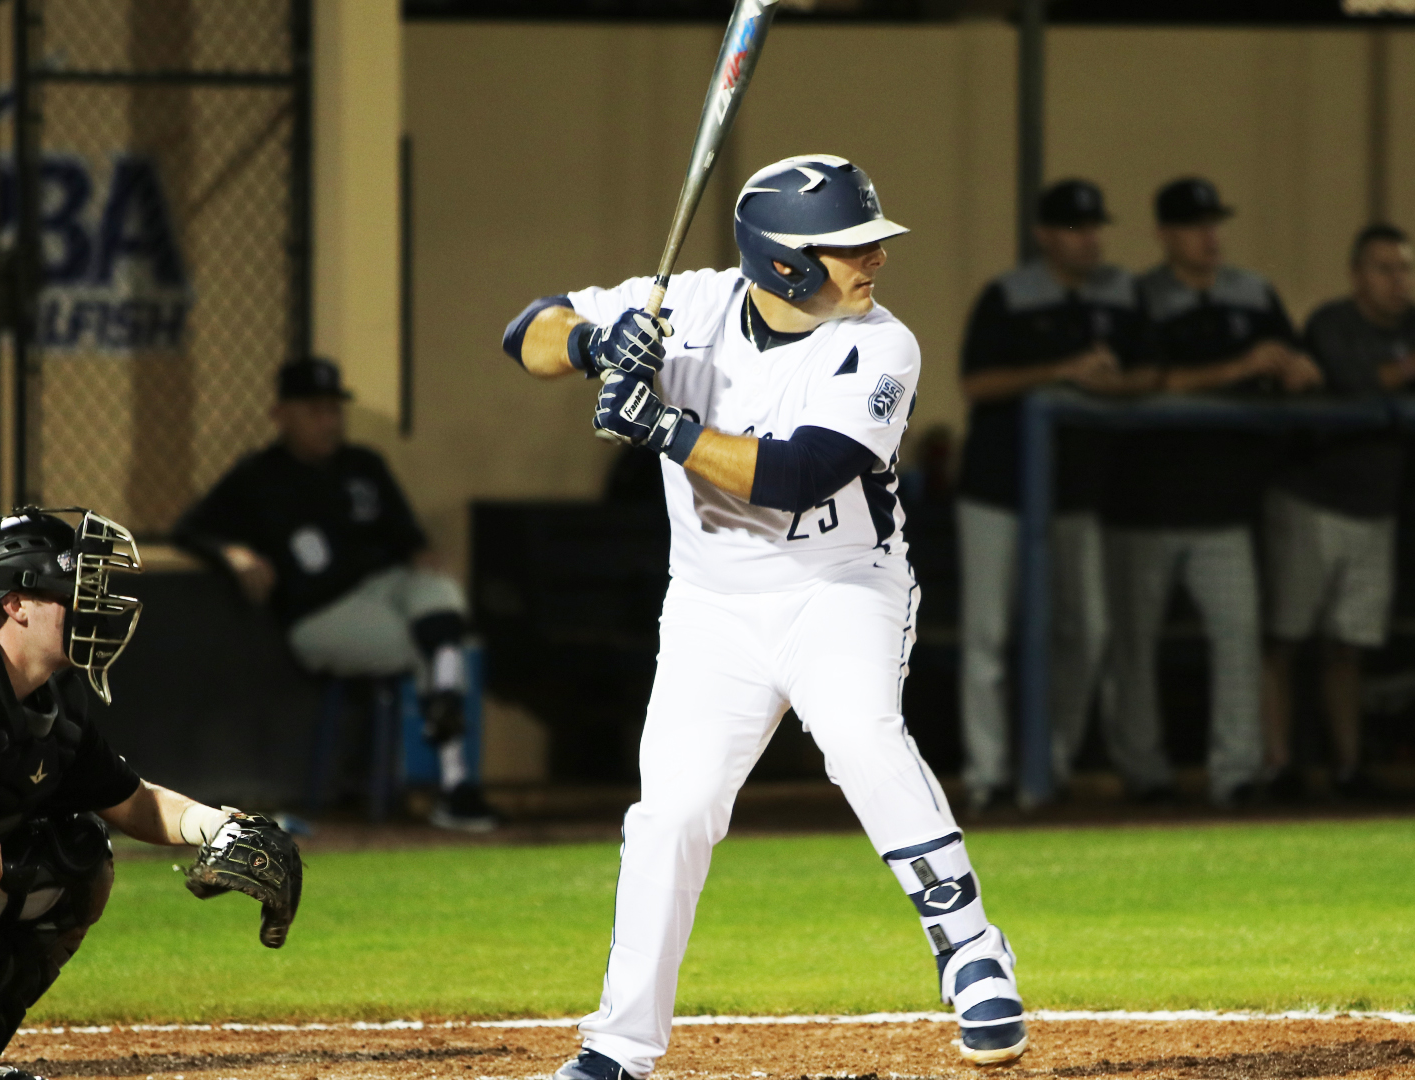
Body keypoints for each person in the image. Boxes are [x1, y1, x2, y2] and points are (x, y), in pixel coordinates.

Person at [500, 155, 1026, 1080]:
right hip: (710, 603)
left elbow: (794, 478)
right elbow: (525, 332)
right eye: (849, 247)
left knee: (861, 737)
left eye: (872, 243)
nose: (874, 260)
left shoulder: (883, 344)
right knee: (672, 811)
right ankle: (619, 1046)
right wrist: (594, 347)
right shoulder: (692, 304)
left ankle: (971, 948)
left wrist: (659, 426)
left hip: (841, 586)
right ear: (784, 262)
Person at [0, 509, 300, 1080]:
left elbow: (132, 801)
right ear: (15, 603)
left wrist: (219, 830)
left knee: (77, 857)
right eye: (70, 590)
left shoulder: (48, 705)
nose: (88, 606)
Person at [175, 357, 496, 831]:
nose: (328, 421)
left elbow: (410, 540)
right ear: (281, 413)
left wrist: (424, 557)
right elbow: (189, 530)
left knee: (439, 592)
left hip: (387, 592)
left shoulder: (363, 465)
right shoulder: (259, 474)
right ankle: (456, 784)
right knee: (441, 648)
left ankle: (449, 744)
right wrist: (234, 554)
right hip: (321, 615)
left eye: (333, 410)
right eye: (314, 410)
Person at [1100, 177, 1322, 807]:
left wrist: (1298, 370)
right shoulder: (1140, 296)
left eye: (1214, 223)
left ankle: (1236, 773)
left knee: (1237, 638)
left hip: (1226, 502)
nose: (1209, 236)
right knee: (1135, 644)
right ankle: (1144, 772)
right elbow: (1139, 379)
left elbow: (1293, 361)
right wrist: (1237, 369)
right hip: (1143, 502)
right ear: (1166, 234)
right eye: (1196, 225)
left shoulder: (1253, 294)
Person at [1262, 224, 1415, 799]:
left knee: (1347, 646)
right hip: (1312, 500)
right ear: (1358, 275)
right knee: (1284, 638)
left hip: (1375, 507)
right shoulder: (1334, 321)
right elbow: (1351, 382)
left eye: (1404, 268)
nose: (1397, 280)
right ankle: (1279, 766)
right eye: (1383, 268)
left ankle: (1347, 767)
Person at [955, 179, 1149, 812]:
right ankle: (988, 772)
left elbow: (1155, 372)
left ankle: (1051, 763)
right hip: (997, 489)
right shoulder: (1009, 295)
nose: (1088, 238)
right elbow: (977, 383)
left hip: (1076, 491)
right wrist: (1060, 373)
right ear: (1044, 234)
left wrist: (1112, 383)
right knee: (989, 637)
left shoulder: (1120, 295)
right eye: (1074, 228)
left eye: (1094, 227)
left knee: (1088, 631)